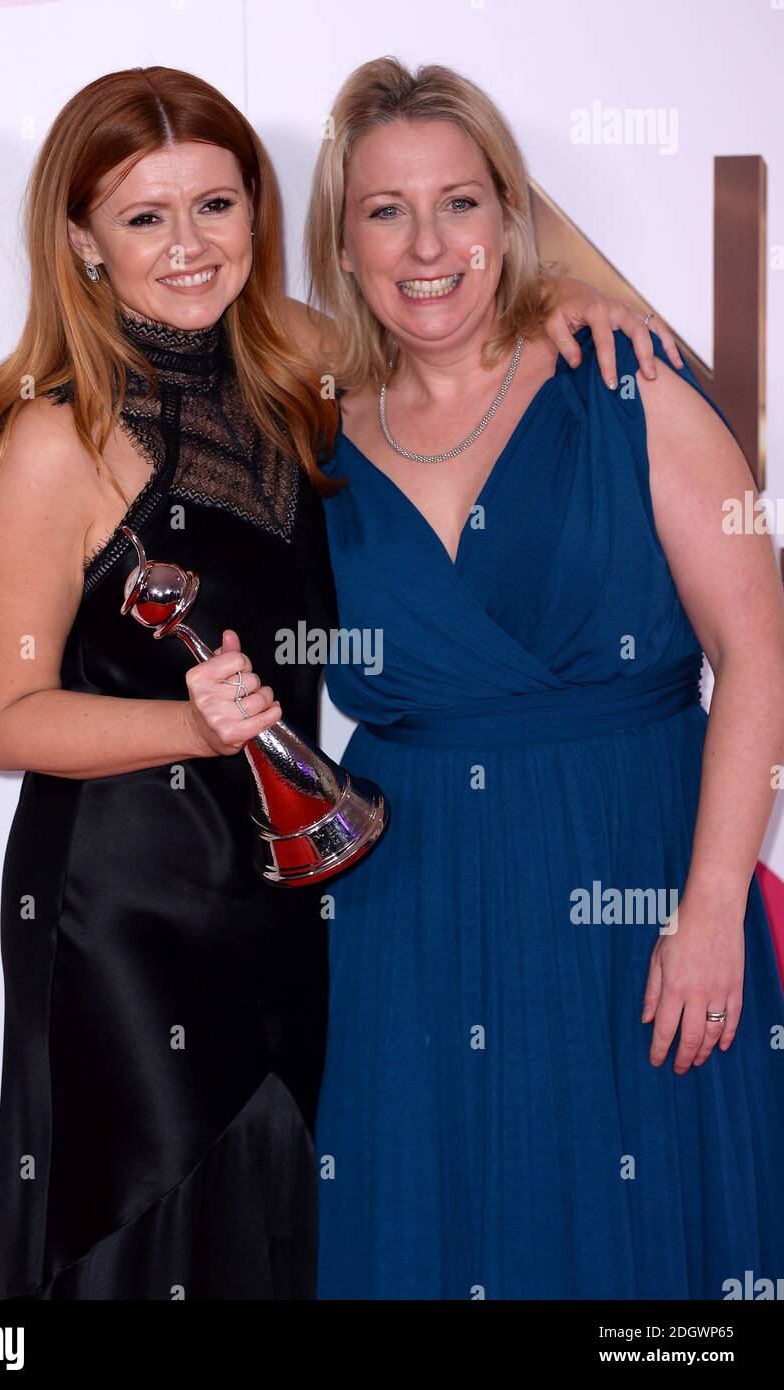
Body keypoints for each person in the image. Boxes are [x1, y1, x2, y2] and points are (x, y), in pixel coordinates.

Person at [0, 63, 677, 1301]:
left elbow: (450, 294)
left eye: (216, 206)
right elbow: (0, 719)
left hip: (293, 891)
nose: (189, 246)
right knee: (148, 1215)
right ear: (81, 240)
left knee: (276, 1218)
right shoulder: (50, 437)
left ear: (258, 211)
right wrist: (178, 720)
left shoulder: (294, 361)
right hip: (125, 909)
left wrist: (556, 281)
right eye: (144, 217)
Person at [305, 58, 784, 1299]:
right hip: (405, 911)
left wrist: (712, 910)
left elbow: (755, 651)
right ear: (341, 243)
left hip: (635, 885)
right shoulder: (308, 429)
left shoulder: (626, 385)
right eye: (384, 210)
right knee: (432, 1216)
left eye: (459, 202)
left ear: (509, 218)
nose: (426, 243)